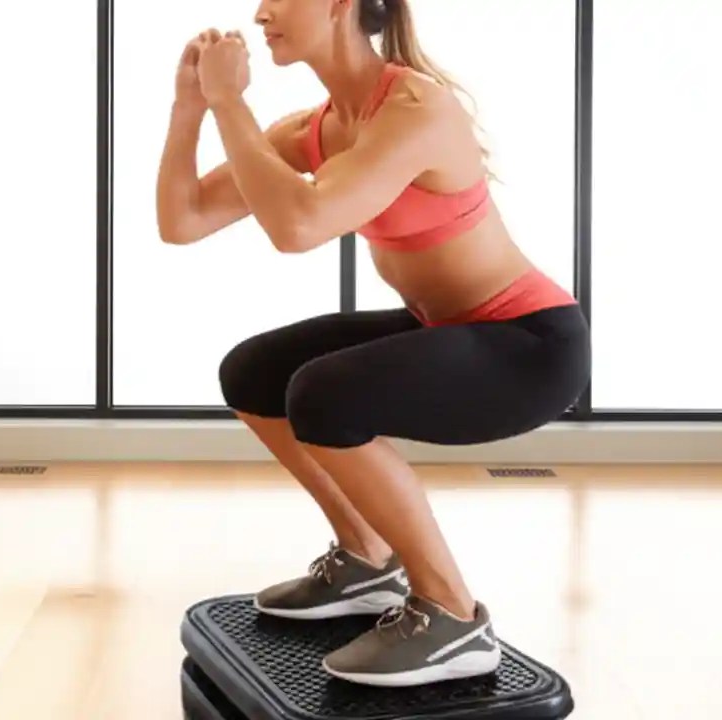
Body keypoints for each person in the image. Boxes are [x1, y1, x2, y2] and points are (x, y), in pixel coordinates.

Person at [155, 0, 590, 688]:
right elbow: (182, 220)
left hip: (529, 346)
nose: (261, 11)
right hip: (445, 327)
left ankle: (453, 615)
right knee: (256, 372)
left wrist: (229, 104)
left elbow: (299, 228)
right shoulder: (318, 128)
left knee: (324, 395)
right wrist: (192, 108)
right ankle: (367, 561)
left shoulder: (419, 108)